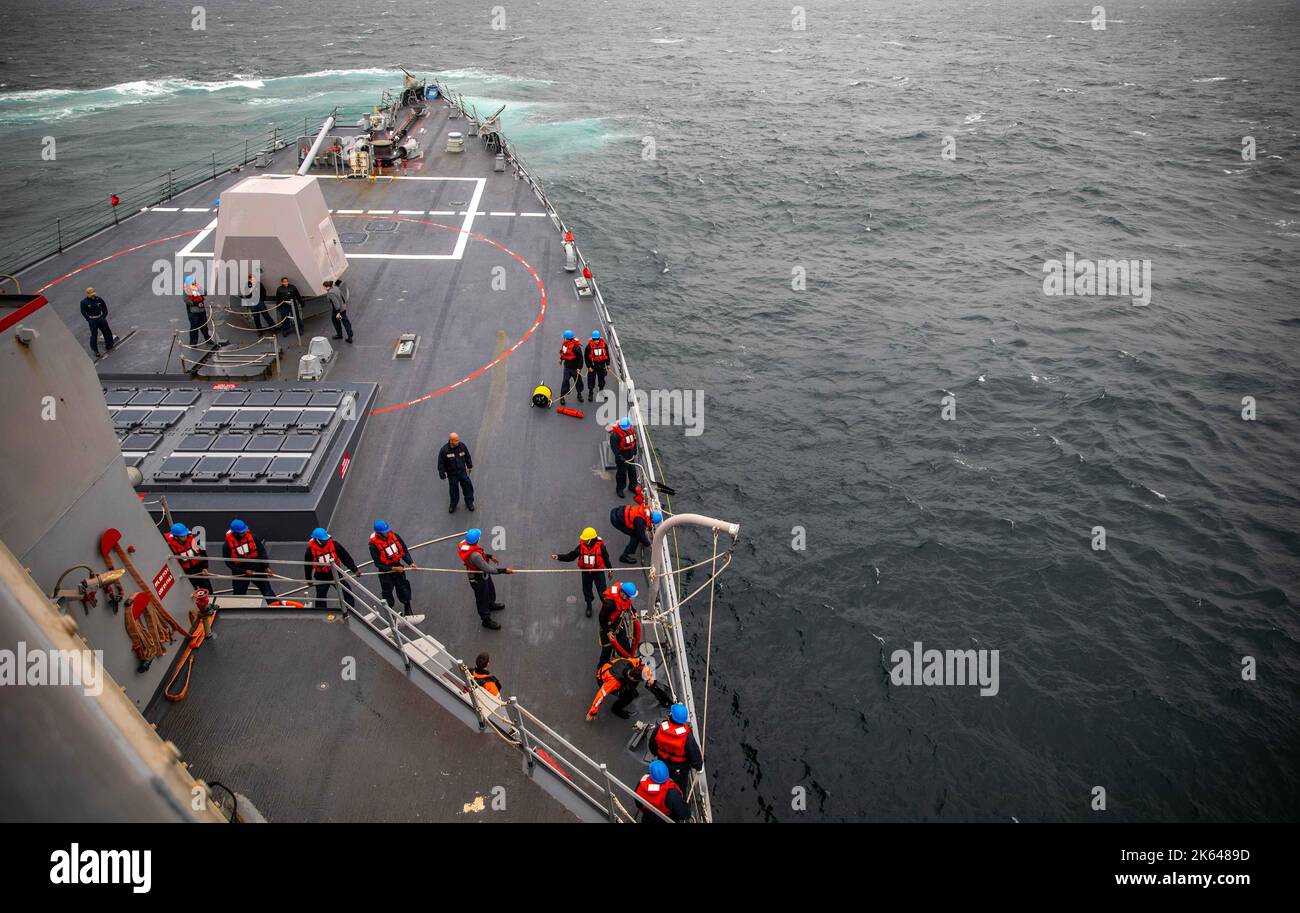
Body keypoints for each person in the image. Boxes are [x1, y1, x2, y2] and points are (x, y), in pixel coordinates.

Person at [458, 528, 513, 630]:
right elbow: (488, 569)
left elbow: (481, 555)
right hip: (478, 579)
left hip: (483, 575)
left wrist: (490, 556)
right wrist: (504, 570)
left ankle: (491, 604)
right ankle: (486, 620)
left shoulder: (467, 545)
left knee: (490, 590)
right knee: (482, 598)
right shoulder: (474, 556)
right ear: (477, 540)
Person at [585, 654, 670, 721]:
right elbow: (601, 695)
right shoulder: (614, 682)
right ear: (633, 678)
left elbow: (643, 660)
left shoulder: (630, 663)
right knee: (630, 695)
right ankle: (616, 709)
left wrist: (650, 677)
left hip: (612, 670)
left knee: (632, 688)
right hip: (603, 680)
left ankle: (629, 690)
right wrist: (592, 712)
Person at [368, 519, 421, 619]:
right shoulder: (373, 546)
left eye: (388, 531)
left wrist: (411, 562)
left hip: (398, 566)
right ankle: (390, 611)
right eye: (385, 532)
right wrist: (394, 568)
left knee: (403, 587)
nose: (388, 533)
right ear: (379, 534)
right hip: (386, 571)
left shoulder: (395, 536)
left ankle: (407, 606)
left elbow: (403, 550)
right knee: (387, 591)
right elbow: (378, 564)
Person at [551, 527, 609, 618]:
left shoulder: (601, 547)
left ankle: (605, 607)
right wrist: (558, 557)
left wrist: (610, 569)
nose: (583, 540)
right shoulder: (581, 547)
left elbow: (606, 559)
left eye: (585, 539)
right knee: (587, 590)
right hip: (586, 572)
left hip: (598, 572)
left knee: (603, 591)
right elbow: (571, 556)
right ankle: (589, 605)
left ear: (590, 540)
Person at [650, 703, 703, 792]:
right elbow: (694, 755)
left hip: (662, 762)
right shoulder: (687, 737)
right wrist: (698, 767)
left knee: (661, 781)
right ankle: (680, 799)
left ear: (671, 715)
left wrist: (657, 754)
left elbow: (652, 746)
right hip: (680, 768)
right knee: (681, 787)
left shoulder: (659, 729)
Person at [302, 527, 359, 610]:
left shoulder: (334, 544)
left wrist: (354, 570)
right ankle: (321, 612)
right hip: (321, 577)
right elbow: (308, 566)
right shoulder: (310, 551)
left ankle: (350, 609)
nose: (325, 541)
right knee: (321, 595)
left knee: (346, 590)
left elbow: (345, 557)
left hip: (335, 573)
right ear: (317, 540)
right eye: (323, 540)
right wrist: (309, 580)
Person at [223, 518, 277, 600]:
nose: (245, 532)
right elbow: (229, 563)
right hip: (240, 571)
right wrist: (244, 572)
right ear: (235, 533)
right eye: (242, 532)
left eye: (245, 530)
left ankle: (275, 608)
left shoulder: (253, 537)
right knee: (239, 594)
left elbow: (262, 552)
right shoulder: (227, 545)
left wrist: (266, 567)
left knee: (267, 591)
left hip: (256, 567)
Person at [598, 581, 642, 667]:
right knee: (607, 648)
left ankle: (625, 660)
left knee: (624, 643)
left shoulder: (624, 596)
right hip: (607, 625)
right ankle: (601, 667)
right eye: (628, 596)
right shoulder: (609, 603)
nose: (630, 598)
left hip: (618, 622)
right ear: (623, 594)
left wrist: (634, 611)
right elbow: (602, 618)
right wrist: (608, 632)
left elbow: (628, 603)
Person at [164, 522, 210, 592]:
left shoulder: (194, 540)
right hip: (186, 572)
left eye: (185, 534)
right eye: (182, 536)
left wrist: (204, 567)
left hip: (199, 568)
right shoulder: (170, 547)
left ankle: (210, 601)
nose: (185, 537)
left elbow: (202, 554)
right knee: (191, 591)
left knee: (207, 588)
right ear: (176, 537)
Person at [437, 432, 475, 513]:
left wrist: (469, 466)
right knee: (453, 491)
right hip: (452, 474)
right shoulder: (444, 450)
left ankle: (469, 502)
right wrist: (442, 474)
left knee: (468, 488)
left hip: (462, 472)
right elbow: (441, 463)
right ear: (451, 441)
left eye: (458, 440)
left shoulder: (462, 446)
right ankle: (453, 504)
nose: (458, 441)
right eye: (456, 440)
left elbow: (467, 456)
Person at [79, 287, 114, 357]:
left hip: (100, 318)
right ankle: (95, 350)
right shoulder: (84, 302)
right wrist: (88, 319)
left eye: (93, 294)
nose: (93, 295)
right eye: (91, 294)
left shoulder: (99, 299)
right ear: (88, 294)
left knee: (107, 331)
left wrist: (104, 315)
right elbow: (83, 311)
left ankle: (109, 344)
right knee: (94, 335)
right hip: (93, 320)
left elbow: (104, 307)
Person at [610, 417, 638, 498]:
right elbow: (614, 448)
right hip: (622, 457)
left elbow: (634, 440)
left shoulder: (631, 430)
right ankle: (619, 489)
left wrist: (635, 450)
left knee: (633, 472)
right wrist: (619, 457)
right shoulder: (615, 435)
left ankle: (632, 486)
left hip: (630, 455)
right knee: (621, 474)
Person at [183, 280, 215, 347]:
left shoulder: (197, 287)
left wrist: (200, 288)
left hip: (202, 310)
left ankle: (207, 339)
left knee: (204, 326)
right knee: (194, 327)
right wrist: (195, 303)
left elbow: (205, 293)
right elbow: (186, 300)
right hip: (193, 312)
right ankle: (193, 343)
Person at [557, 330, 584, 405]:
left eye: (564, 338)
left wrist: (579, 368)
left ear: (568, 339)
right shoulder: (565, 345)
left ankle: (579, 394)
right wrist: (561, 359)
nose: (563, 339)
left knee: (578, 381)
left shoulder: (576, 348)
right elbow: (564, 353)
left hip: (575, 368)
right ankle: (562, 396)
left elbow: (580, 358)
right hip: (567, 367)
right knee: (565, 381)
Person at [324, 279, 353, 344]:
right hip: (342, 307)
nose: (324, 288)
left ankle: (343, 335)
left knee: (339, 321)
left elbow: (336, 303)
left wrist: (338, 312)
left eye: (324, 287)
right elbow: (342, 295)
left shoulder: (331, 293)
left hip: (338, 310)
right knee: (344, 321)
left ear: (327, 286)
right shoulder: (335, 288)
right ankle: (347, 335)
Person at [585, 330, 610, 399]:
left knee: (602, 380)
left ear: (599, 338)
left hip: (601, 366)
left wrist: (608, 364)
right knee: (591, 380)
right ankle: (591, 393)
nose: (596, 341)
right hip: (593, 367)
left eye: (597, 339)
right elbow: (586, 358)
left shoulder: (604, 345)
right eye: (594, 339)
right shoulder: (588, 347)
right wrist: (589, 367)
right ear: (592, 339)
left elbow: (607, 355)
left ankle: (601, 392)